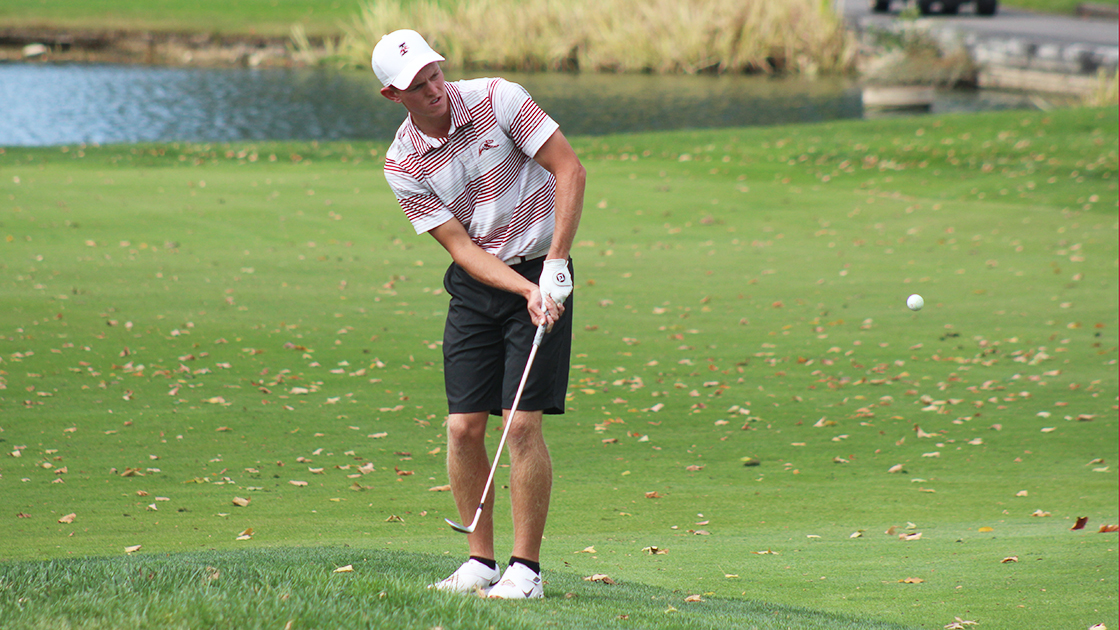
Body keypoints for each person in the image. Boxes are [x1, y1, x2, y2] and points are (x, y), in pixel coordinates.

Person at [372, 29, 586, 599]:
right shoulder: (401, 162)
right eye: (418, 86)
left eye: (435, 74)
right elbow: (461, 248)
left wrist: (555, 267)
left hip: (543, 267)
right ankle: (480, 562)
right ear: (394, 96)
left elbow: (570, 169)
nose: (434, 89)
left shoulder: (498, 97)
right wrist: (520, 290)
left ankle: (526, 571)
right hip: (481, 285)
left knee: (520, 423)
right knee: (463, 428)